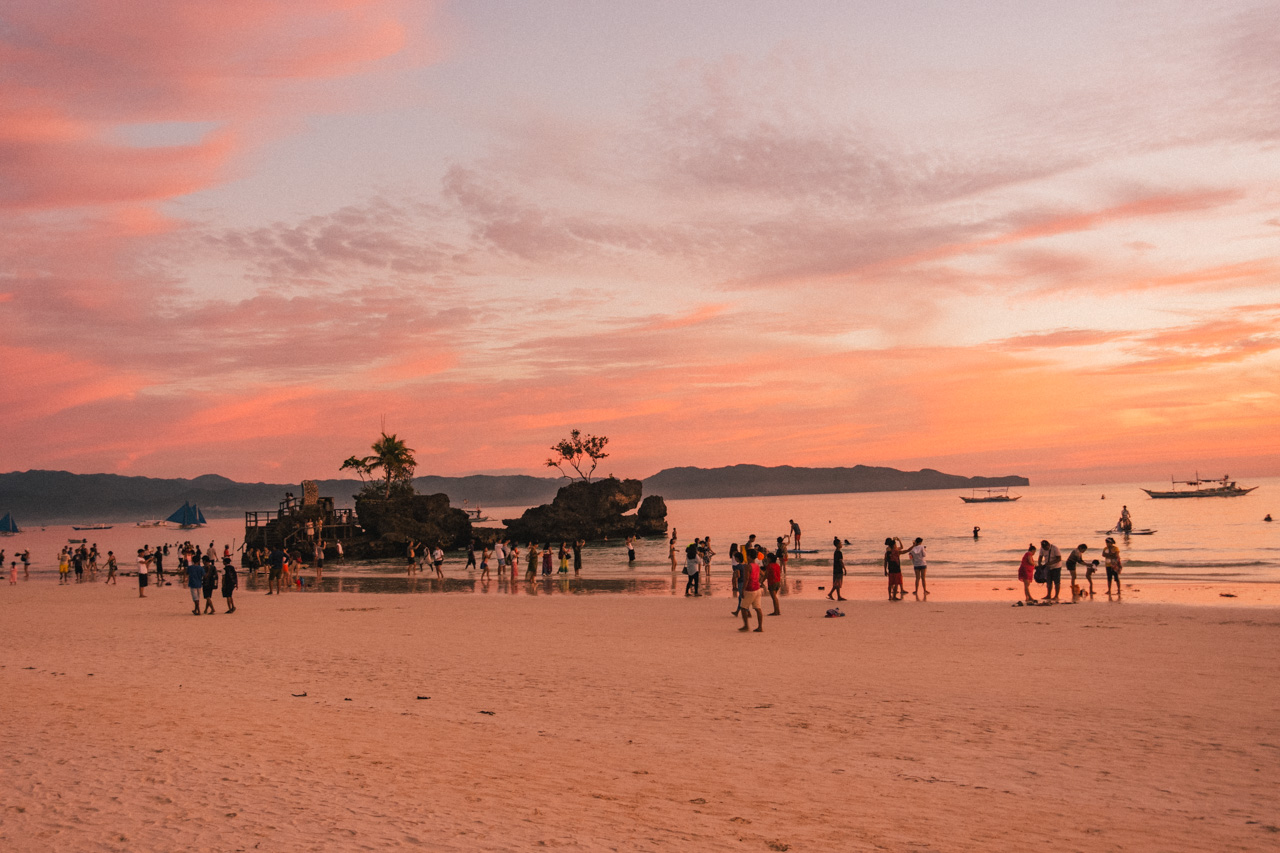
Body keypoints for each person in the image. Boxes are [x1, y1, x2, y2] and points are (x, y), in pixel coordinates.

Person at [738, 552, 765, 633]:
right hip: (757, 588)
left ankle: (746, 626)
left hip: (750, 589)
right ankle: (760, 627)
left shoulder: (748, 566)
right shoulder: (757, 565)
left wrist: (742, 590)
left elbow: (746, 579)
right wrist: (759, 581)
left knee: (743, 608)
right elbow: (763, 574)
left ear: (749, 556)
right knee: (758, 608)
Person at [764, 551, 782, 616]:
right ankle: (777, 611)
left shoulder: (769, 565)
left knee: (774, 598)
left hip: (772, 582)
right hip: (778, 582)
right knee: (775, 597)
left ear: (770, 559)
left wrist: (761, 581)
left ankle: (776, 611)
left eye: (767, 558)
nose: (766, 559)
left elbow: (766, 575)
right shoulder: (777, 565)